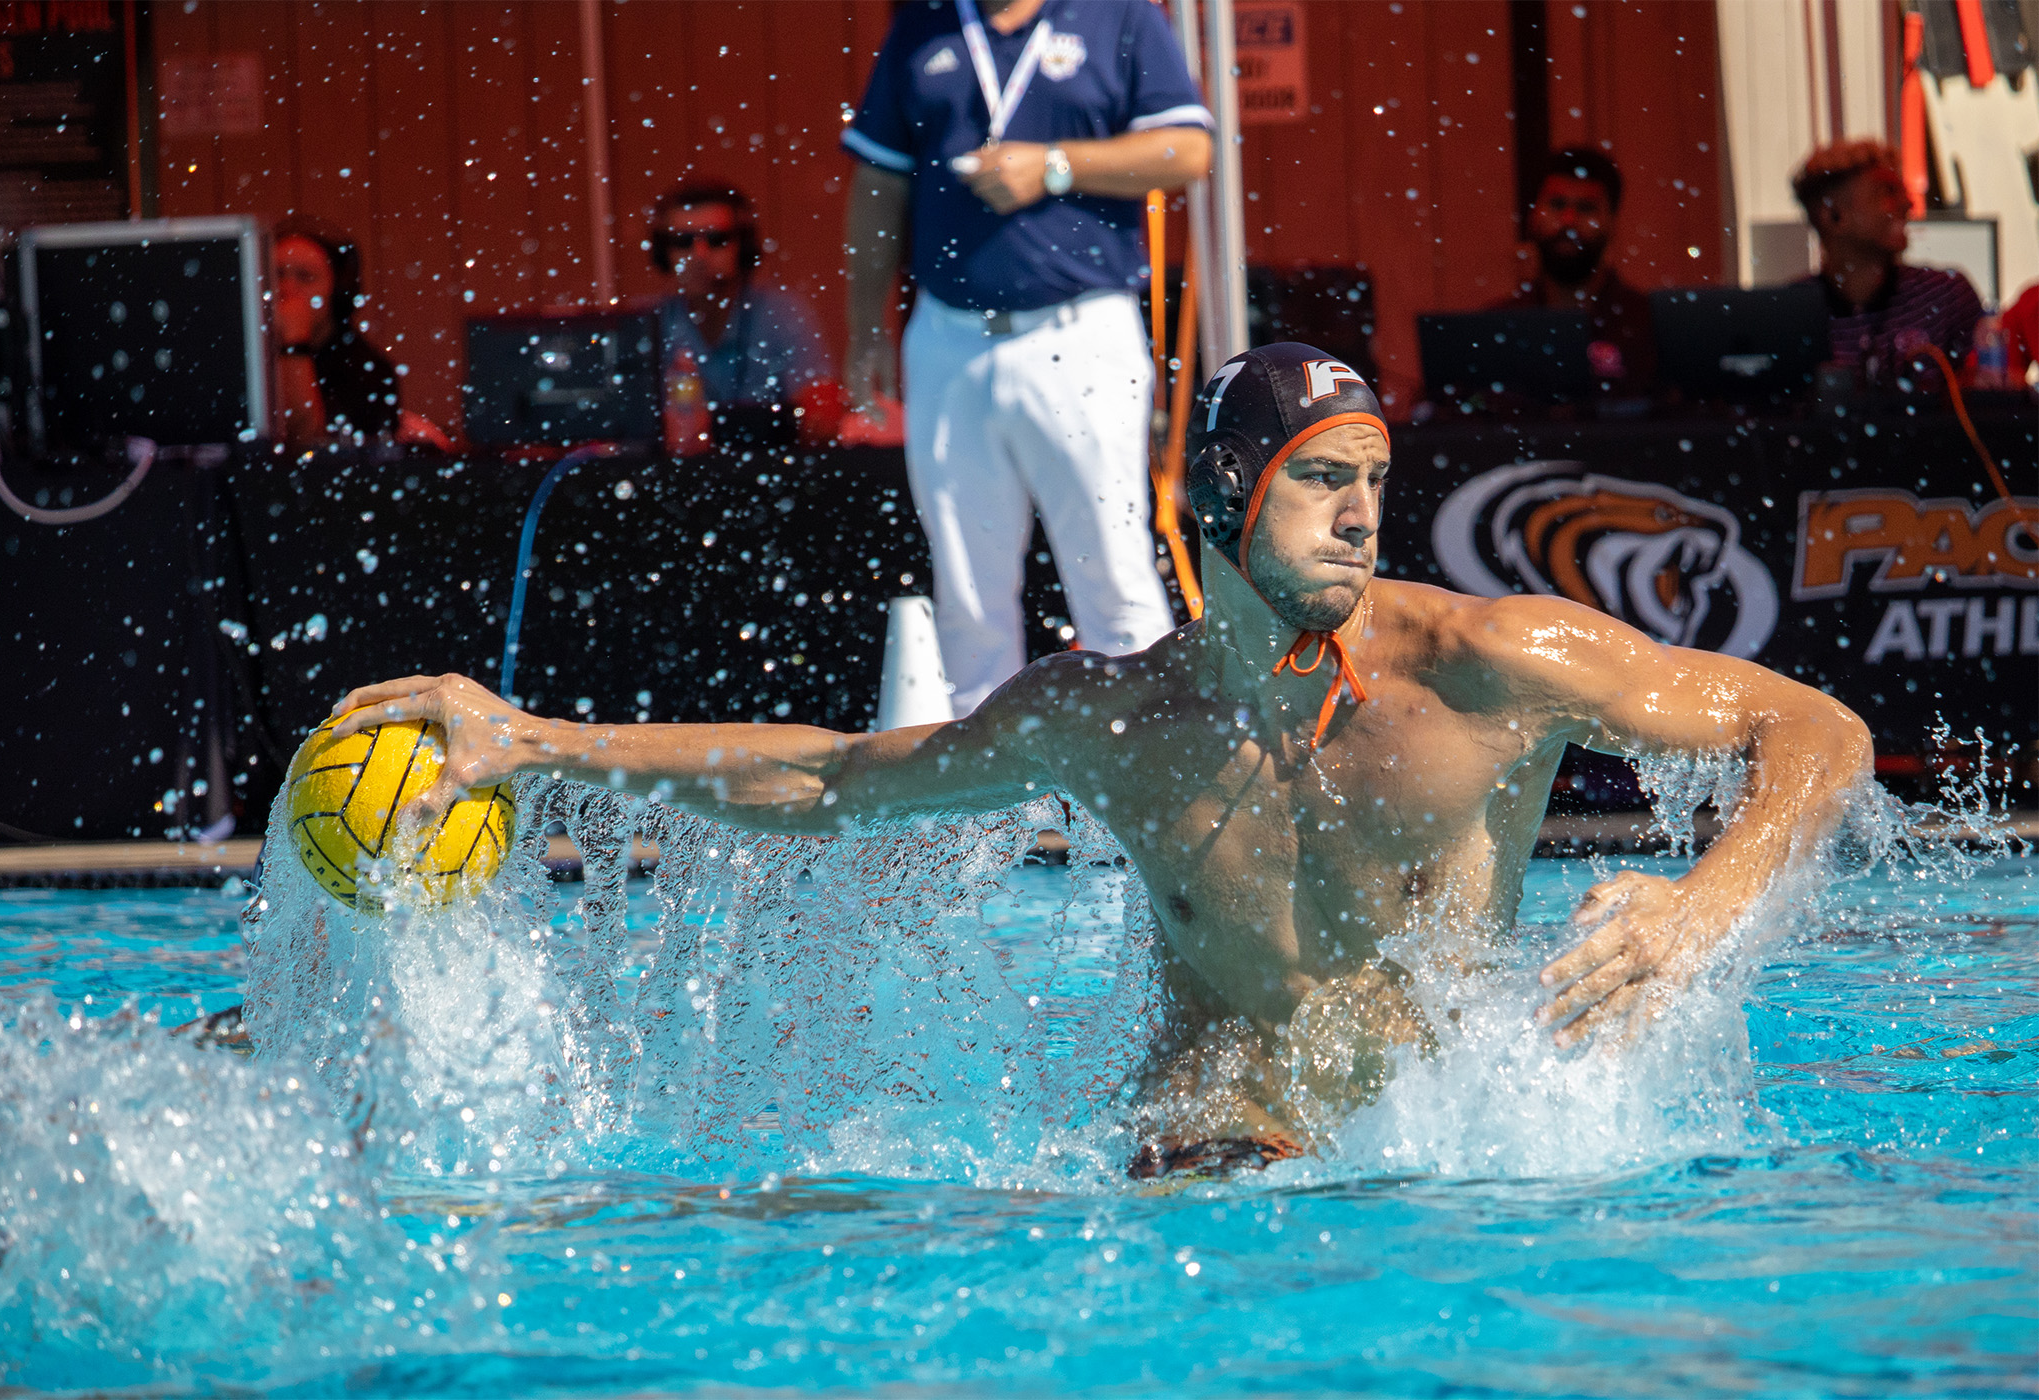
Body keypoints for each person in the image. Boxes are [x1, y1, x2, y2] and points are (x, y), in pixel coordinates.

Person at [331, 342, 1874, 1179]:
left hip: (1446, 1159)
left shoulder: (1488, 663)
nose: (1362, 514)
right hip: (1205, 1160)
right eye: (1321, 481)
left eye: (1375, 480)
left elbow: (1820, 730)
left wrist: (1699, 909)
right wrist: (537, 743)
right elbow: (840, 780)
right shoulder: (1116, 718)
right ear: (1224, 497)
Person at [840, 0, 1214, 713]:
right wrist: (863, 329)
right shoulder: (924, 22)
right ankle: (987, 776)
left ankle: (1148, 759)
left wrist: (1056, 166)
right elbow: (879, 181)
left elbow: (1187, 150)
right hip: (948, 334)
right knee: (966, 590)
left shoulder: (1118, 14)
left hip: (1079, 333)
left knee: (1112, 570)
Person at [1791, 139, 1984, 395]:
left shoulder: (1946, 297)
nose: (1908, 204)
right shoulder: (1792, 314)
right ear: (1834, 216)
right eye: (1887, 193)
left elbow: (1986, 400)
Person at [649, 181, 834, 444]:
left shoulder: (782, 313)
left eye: (716, 239)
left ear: (743, 247)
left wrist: (809, 418)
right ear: (663, 251)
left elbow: (823, 412)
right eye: (683, 241)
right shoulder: (651, 322)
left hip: (770, 464)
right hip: (680, 469)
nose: (699, 254)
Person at [1494, 146, 1655, 397]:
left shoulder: (1649, 328)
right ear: (1534, 215)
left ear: (1612, 222)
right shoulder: (1499, 328)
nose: (1568, 221)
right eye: (1557, 205)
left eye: (1586, 208)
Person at [272, 218, 403, 448]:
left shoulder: (367, 370)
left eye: (305, 277)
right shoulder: (246, 357)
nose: (286, 290)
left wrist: (294, 343)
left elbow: (307, 445)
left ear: (338, 291)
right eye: (277, 275)